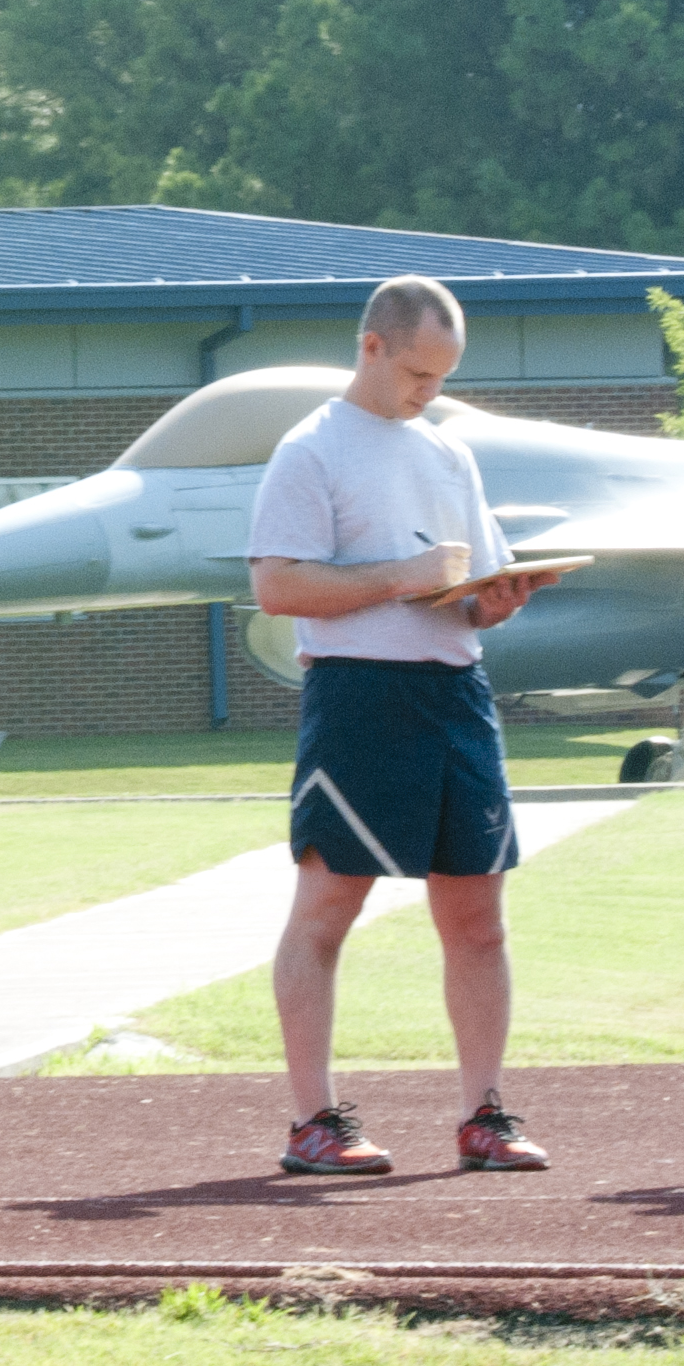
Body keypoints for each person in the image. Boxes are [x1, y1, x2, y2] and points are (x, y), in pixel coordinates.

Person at [245, 276, 564, 1176]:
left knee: (478, 916)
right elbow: (277, 586)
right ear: (372, 346)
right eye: (419, 371)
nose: (429, 390)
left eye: (444, 375)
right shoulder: (310, 449)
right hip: (357, 696)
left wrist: (495, 600)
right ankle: (313, 1120)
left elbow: (468, 594)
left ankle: (483, 1115)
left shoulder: (447, 456)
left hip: (454, 693)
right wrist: (398, 576)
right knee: (328, 905)